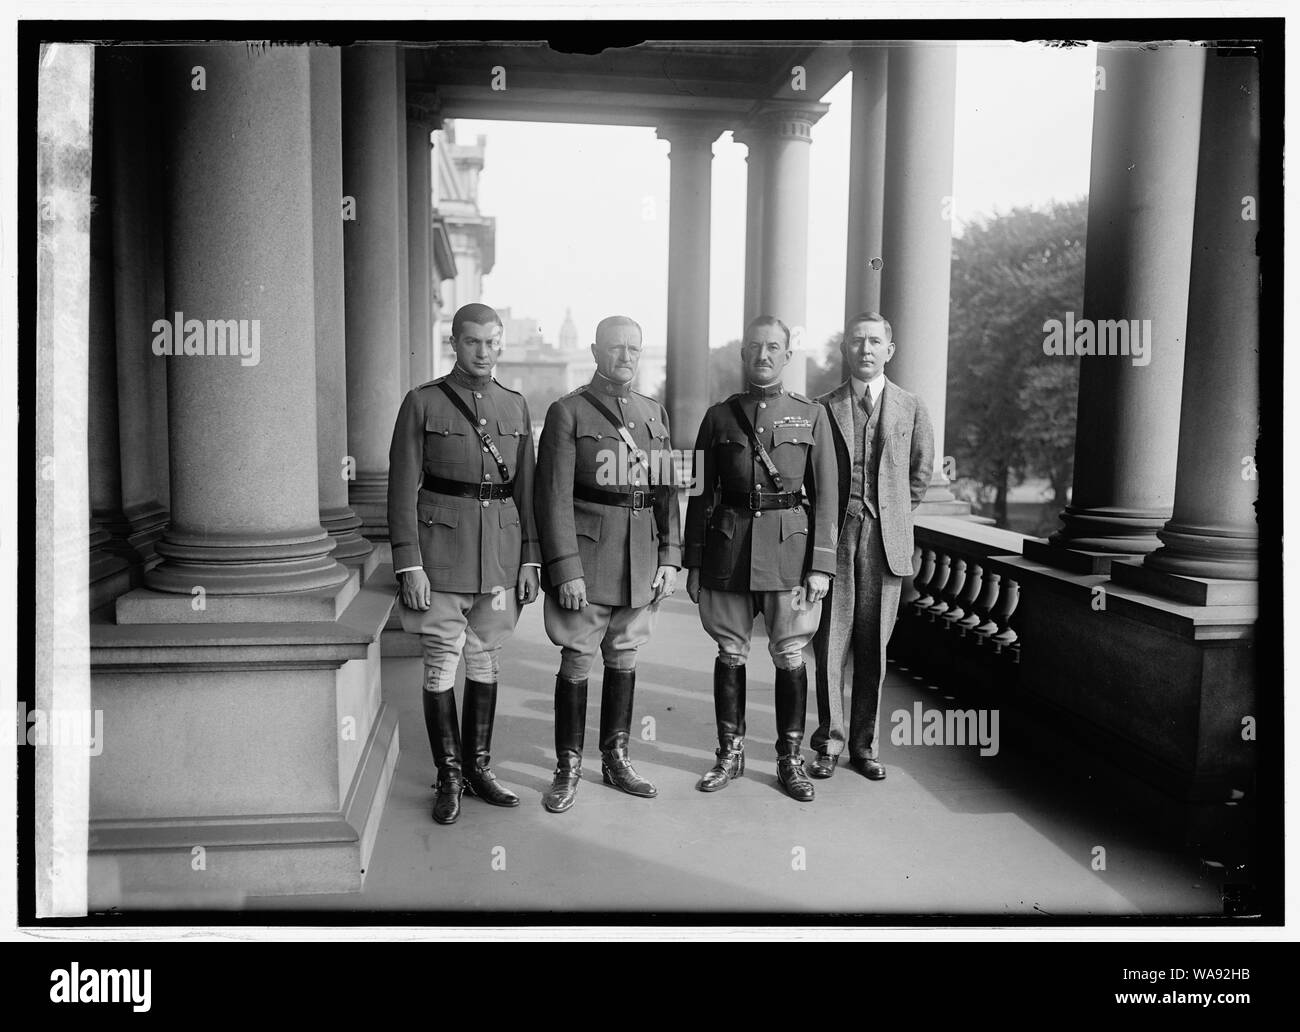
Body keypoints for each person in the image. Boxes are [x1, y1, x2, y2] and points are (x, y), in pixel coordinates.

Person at [387, 302, 541, 825]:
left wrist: (530, 559)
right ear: (455, 342)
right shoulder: (423, 402)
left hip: (499, 552)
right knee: (440, 661)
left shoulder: (516, 407)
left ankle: (478, 768)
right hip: (441, 552)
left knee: (485, 658)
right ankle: (448, 774)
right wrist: (409, 563)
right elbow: (401, 487)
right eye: (474, 341)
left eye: (493, 342)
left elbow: (527, 491)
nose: (484, 351)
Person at [684, 316, 838, 802]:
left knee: (790, 654)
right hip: (729, 550)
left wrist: (821, 564)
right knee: (730, 653)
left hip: (789, 554)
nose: (764, 355)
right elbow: (700, 494)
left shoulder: (810, 416)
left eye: (774, 347)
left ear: (788, 355)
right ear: (743, 353)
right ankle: (729, 752)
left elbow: (828, 496)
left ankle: (790, 759)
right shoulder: (719, 417)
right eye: (755, 346)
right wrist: (693, 563)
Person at [535, 315, 681, 813]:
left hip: (641, 556)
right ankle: (568, 766)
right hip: (588, 554)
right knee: (578, 657)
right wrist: (564, 567)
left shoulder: (654, 413)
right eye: (615, 348)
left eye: (633, 349)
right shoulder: (568, 411)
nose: (625, 357)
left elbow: (667, 493)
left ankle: (616, 757)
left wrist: (670, 556)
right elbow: (552, 497)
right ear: (596, 351)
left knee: (625, 655)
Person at [810, 312, 934, 782]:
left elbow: (919, 475)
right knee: (830, 646)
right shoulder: (823, 406)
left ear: (890, 350)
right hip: (835, 541)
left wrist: (891, 514)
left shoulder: (911, 407)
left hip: (885, 543)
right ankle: (829, 742)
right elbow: (812, 479)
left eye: (875, 341)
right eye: (857, 340)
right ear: (845, 349)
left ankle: (864, 746)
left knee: (872, 648)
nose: (865, 349)